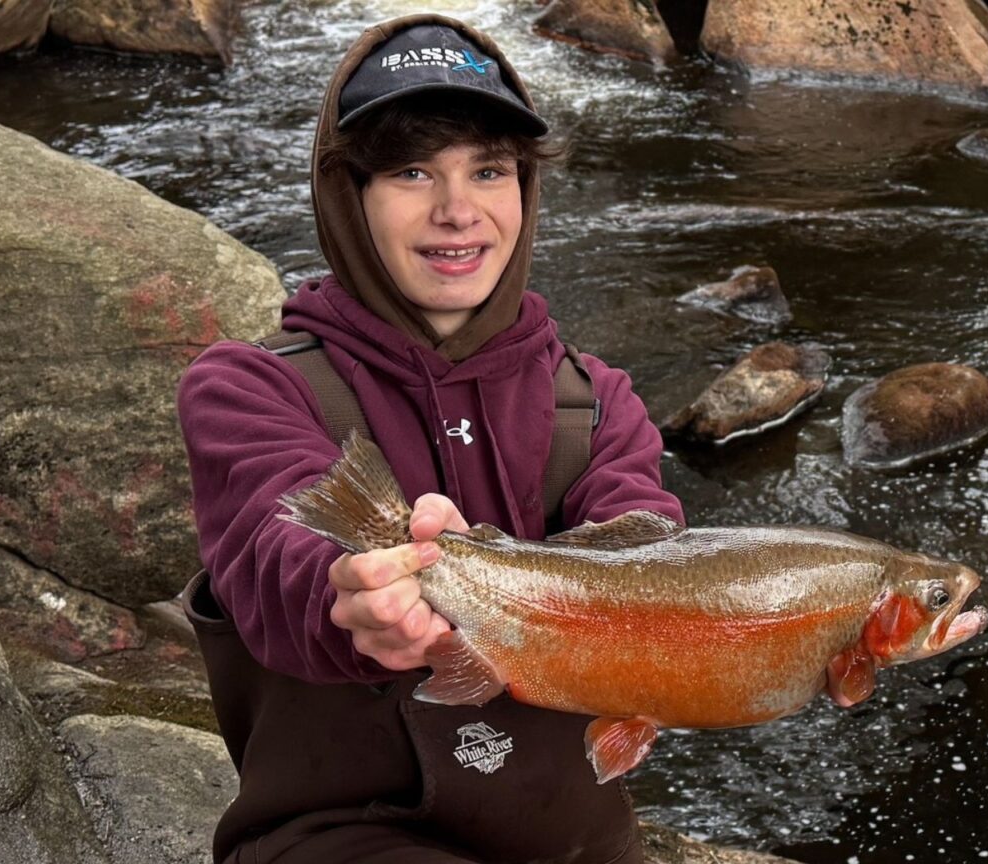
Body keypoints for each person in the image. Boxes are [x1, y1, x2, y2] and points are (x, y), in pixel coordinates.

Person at [176, 14, 684, 864]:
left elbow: (654, 553)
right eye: (413, 172)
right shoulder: (245, 387)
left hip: (580, 841)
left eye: (489, 170)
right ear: (349, 195)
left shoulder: (600, 404)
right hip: (336, 835)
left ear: (525, 188)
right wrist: (353, 597)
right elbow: (277, 560)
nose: (458, 211)